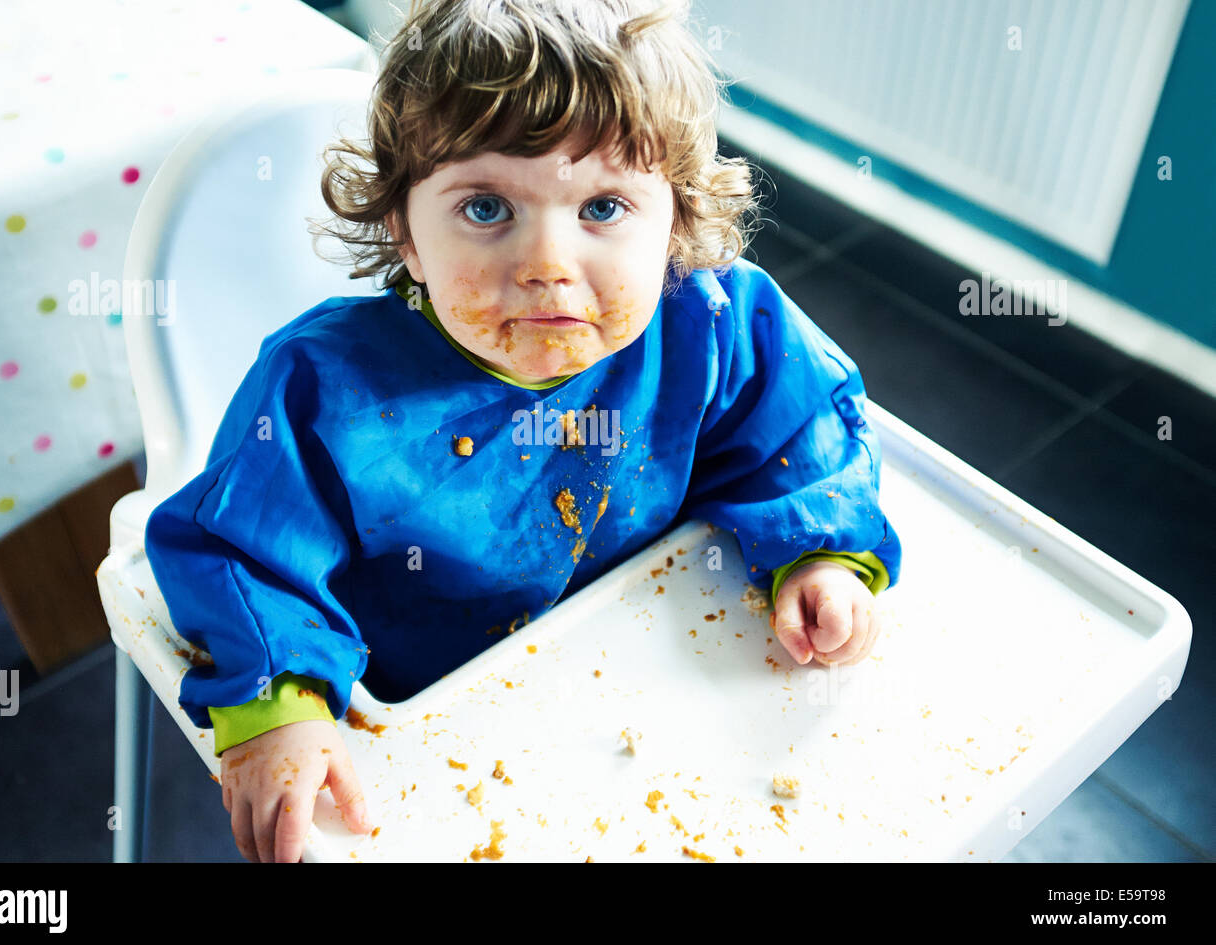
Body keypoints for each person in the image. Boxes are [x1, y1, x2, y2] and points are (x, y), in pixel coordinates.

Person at [144, 0, 902, 863]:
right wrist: (276, 703)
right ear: (405, 232)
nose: (546, 262)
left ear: (677, 225)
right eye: (485, 208)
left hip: (639, 704)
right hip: (424, 741)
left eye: (607, 208)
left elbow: (796, 435)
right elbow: (240, 551)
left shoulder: (716, 323)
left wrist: (819, 550)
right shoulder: (322, 389)